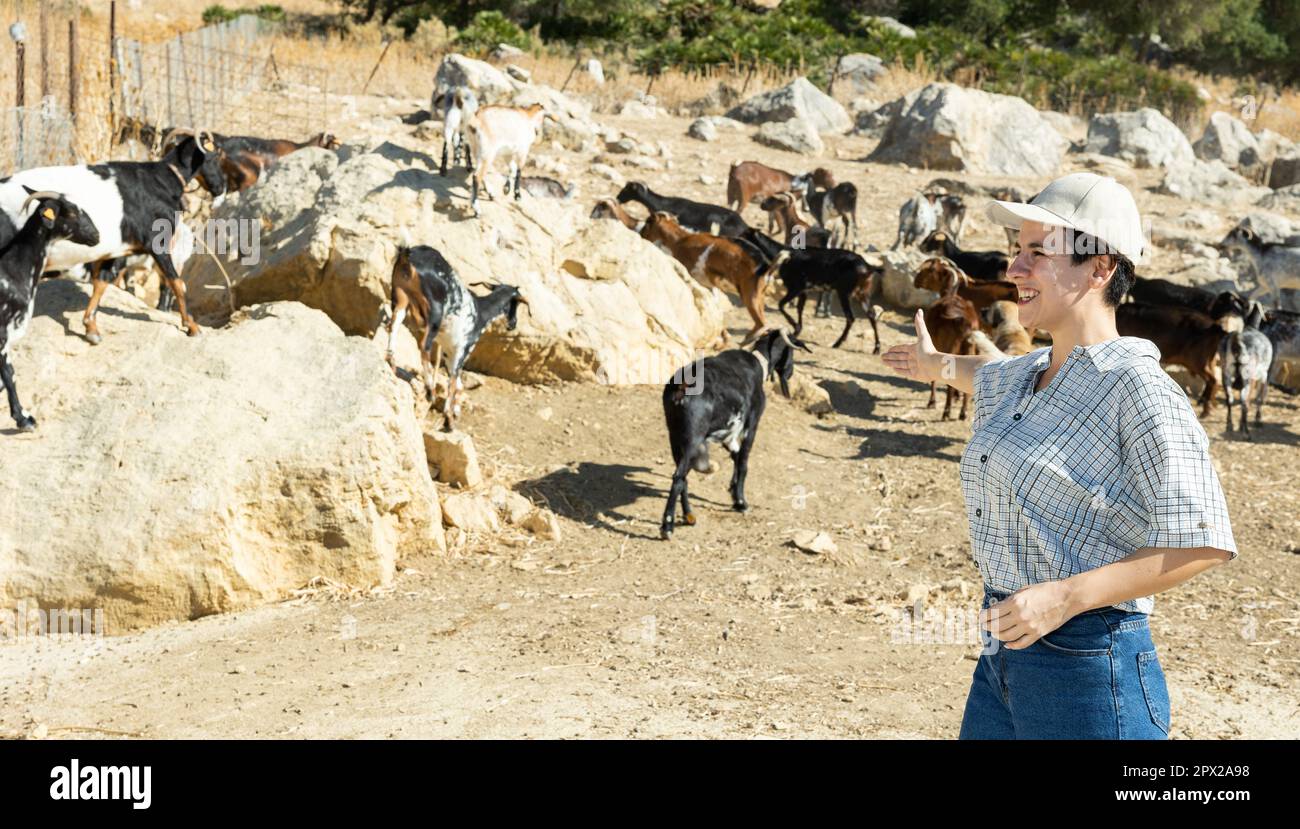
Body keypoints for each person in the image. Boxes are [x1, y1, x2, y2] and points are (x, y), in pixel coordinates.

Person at [882, 172, 1238, 739]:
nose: (1014, 270)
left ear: (1100, 268)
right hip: (1003, 654)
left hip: (1090, 670)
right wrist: (933, 366)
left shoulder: (1138, 388)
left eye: (1037, 253)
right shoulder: (1030, 371)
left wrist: (1065, 598)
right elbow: (984, 374)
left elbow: (1204, 540)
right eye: (1016, 251)